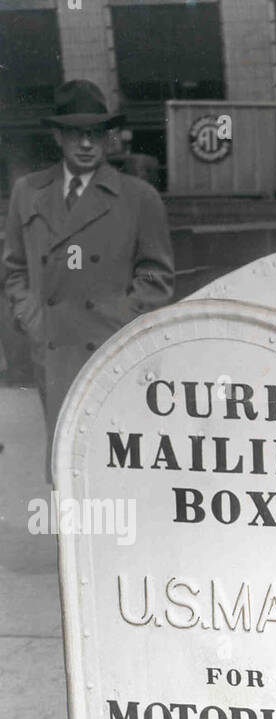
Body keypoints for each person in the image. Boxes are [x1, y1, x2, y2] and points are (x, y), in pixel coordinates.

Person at [3, 79, 174, 471]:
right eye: (76, 133)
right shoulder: (28, 192)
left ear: (108, 137)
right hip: (54, 352)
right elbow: (13, 269)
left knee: (115, 466)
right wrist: (35, 320)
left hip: (112, 353)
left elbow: (157, 278)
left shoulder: (139, 198)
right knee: (67, 467)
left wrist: (115, 321)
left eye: (95, 133)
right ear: (57, 136)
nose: (86, 143)